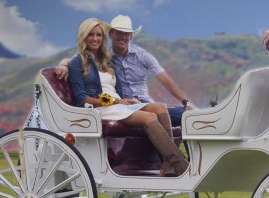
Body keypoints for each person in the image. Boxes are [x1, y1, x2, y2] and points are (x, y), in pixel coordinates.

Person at [67, 17, 189, 177]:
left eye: (98, 35)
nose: (95, 38)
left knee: (159, 107)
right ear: (83, 36)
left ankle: (168, 163)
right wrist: (115, 101)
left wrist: (123, 101)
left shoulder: (106, 61)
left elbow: (117, 89)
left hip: (117, 104)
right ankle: (180, 164)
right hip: (99, 108)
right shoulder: (77, 62)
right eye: (91, 34)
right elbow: (82, 98)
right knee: (149, 117)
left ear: (104, 37)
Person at [56, 14, 196, 126]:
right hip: (123, 105)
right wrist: (64, 63)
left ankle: (183, 153)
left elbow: (164, 80)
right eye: (119, 33)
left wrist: (185, 101)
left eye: (126, 34)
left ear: (131, 36)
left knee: (189, 116)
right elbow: (81, 60)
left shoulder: (142, 56)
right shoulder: (106, 59)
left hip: (144, 103)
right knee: (178, 117)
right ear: (111, 34)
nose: (123, 37)